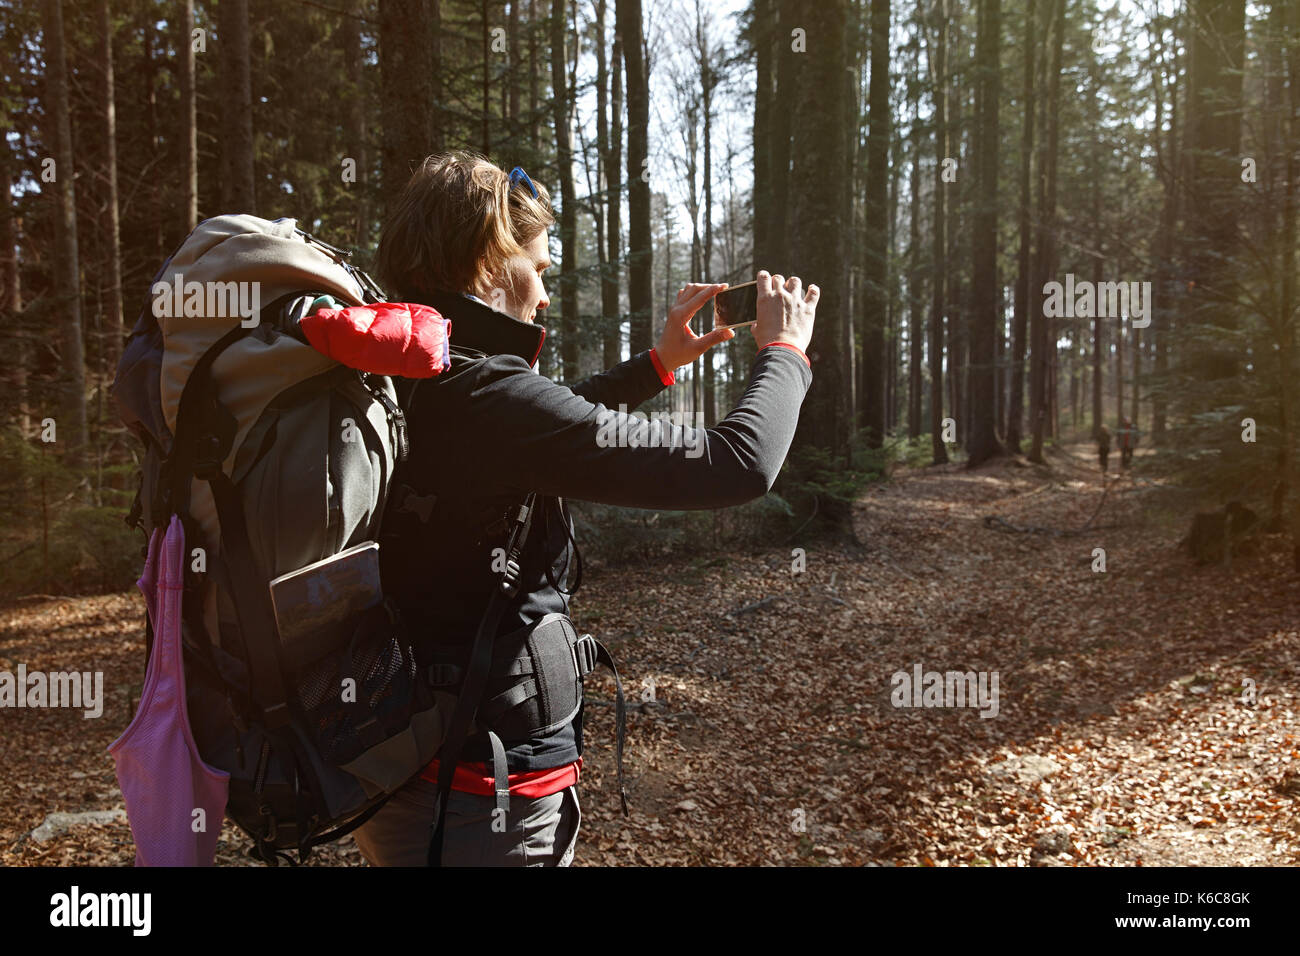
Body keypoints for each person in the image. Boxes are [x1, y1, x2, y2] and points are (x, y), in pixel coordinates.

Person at [351, 151, 818, 866]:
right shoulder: (488, 398)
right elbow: (740, 463)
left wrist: (656, 365)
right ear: (487, 262)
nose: (543, 296)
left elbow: (544, 431)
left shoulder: (404, 379)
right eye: (538, 269)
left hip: (406, 767)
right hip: (488, 791)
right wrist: (784, 352)